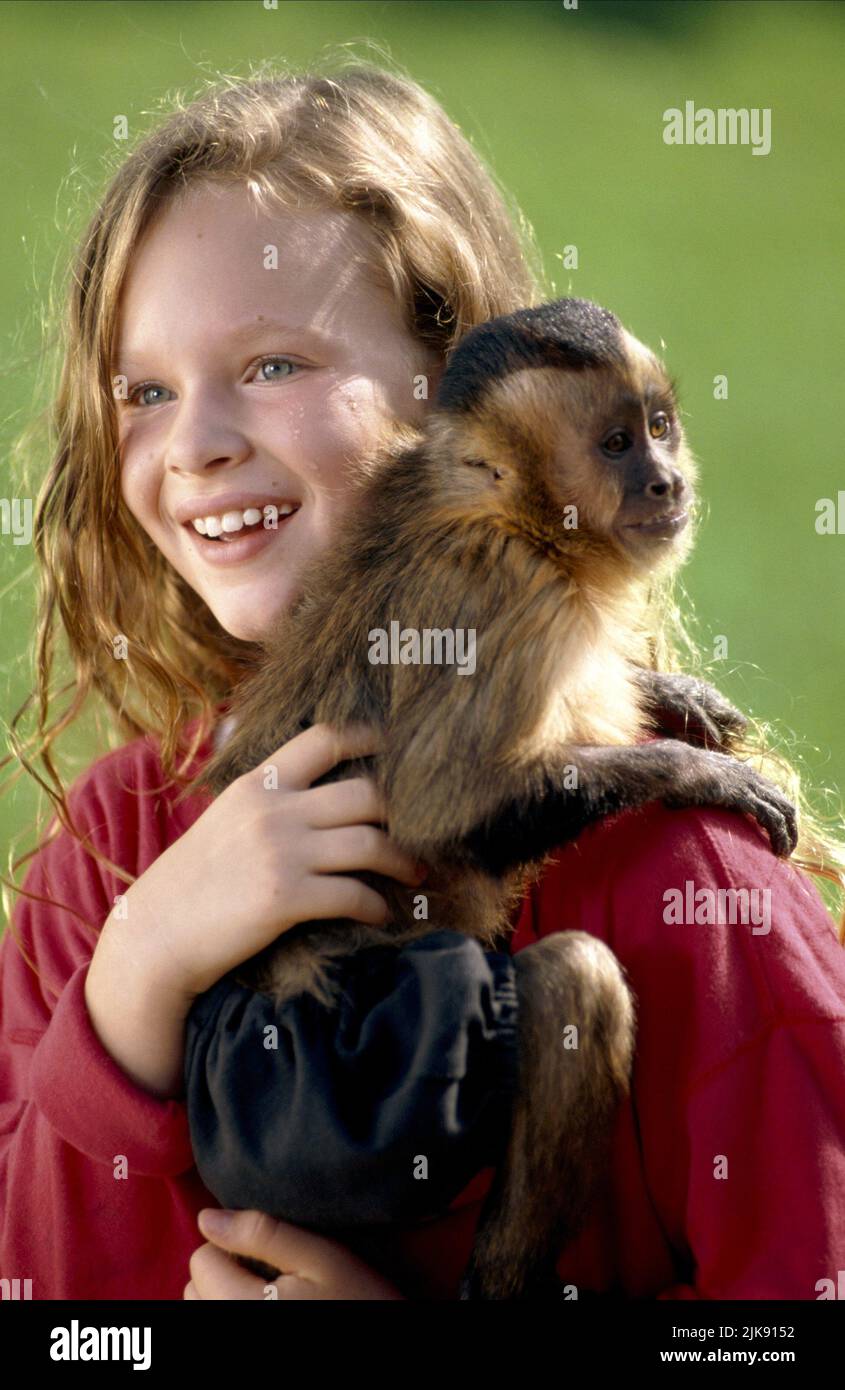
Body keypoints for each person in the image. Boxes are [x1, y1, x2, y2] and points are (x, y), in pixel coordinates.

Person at [2, 61, 844, 1302]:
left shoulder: (690, 890)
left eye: (274, 364)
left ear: (472, 411)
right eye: (143, 392)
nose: (196, 442)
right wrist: (133, 985)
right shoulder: (118, 852)